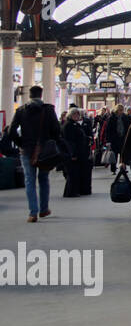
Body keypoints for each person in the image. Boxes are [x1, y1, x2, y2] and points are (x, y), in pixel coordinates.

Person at [5, 85, 64, 223]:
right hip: (45, 152)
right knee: (43, 179)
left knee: (29, 181)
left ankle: (33, 213)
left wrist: (21, 143)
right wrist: (51, 142)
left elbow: (11, 131)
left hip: (26, 150)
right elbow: (56, 130)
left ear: (29, 96)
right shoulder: (48, 110)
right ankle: (44, 209)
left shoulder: (21, 110)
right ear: (41, 95)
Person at [61, 106, 92, 198]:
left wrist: (87, 139)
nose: (78, 116)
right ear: (71, 115)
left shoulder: (75, 124)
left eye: (78, 114)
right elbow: (69, 141)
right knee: (72, 173)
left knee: (76, 172)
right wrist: (72, 154)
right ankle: (71, 192)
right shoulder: (68, 125)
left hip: (79, 151)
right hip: (72, 153)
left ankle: (76, 190)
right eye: (75, 114)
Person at [105, 104, 128, 170]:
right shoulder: (111, 118)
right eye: (119, 110)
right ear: (116, 110)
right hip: (114, 139)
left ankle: (123, 167)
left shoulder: (125, 117)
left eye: (121, 110)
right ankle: (113, 167)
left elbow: (127, 127)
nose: (121, 112)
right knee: (114, 153)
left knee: (123, 153)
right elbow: (108, 130)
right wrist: (108, 140)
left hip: (122, 138)